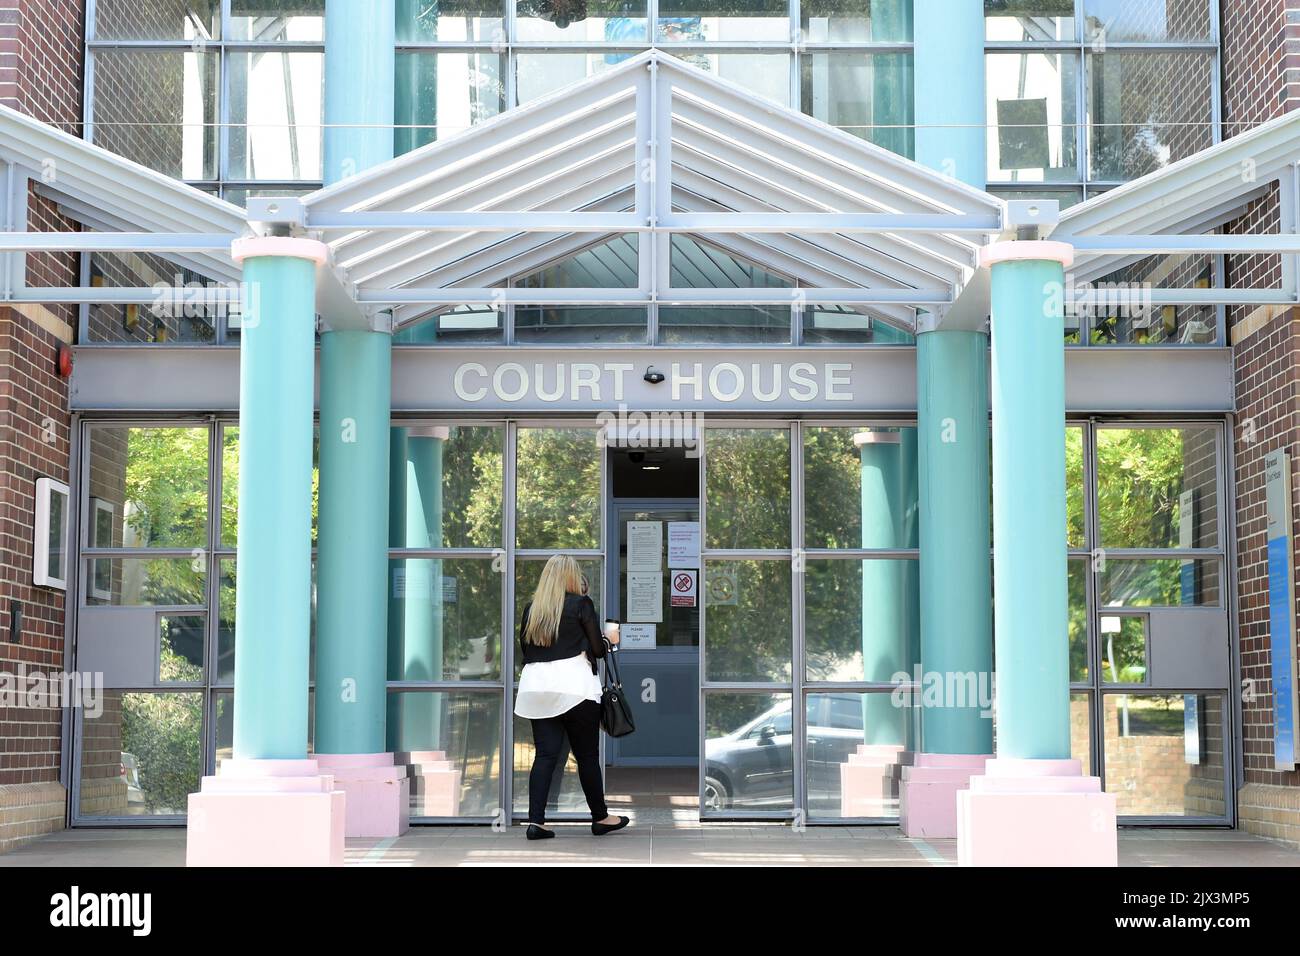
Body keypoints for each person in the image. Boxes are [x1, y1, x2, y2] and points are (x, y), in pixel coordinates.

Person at [515, 554, 630, 840]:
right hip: (575, 687)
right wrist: (610, 640)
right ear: (571, 577)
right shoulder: (581, 604)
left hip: (537, 688)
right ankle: (601, 817)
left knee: (545, 755)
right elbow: (598, 650)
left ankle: (536, 822)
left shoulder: (532, 609)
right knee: (587, 756)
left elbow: (527, 652)